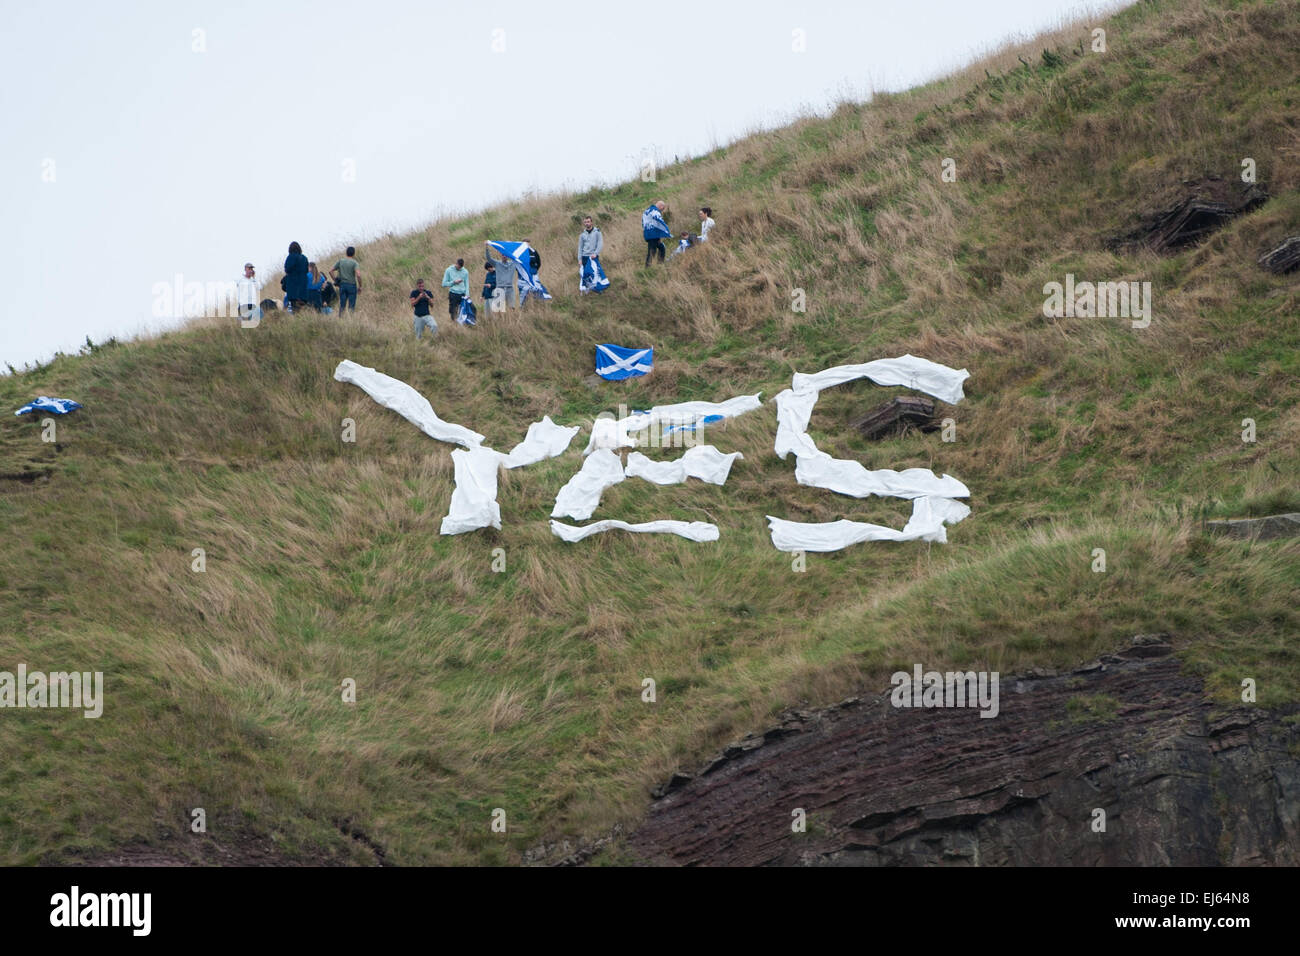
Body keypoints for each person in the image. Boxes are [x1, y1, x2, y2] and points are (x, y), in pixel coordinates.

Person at [578, 216, 609, 293]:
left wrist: (596, 253)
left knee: (595, 272)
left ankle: (598, 288)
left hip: (592, 257)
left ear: (591, 222)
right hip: (584, 257)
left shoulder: (597, 232)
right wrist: (579, 259)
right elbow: (580, 247)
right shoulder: (582, 235)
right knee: (585, 274)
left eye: (588, 222)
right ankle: (588, 289)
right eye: (585, 222)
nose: (587, 223)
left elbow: (600, 244)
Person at [484, 243, 519, 311]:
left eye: (505, 255)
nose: (504, 256)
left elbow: (519, 257)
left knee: (511, 307)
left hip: (510, 288)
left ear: (508, 256)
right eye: (503, 255)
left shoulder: (513, 264)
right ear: (501, 256)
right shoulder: (497, 264)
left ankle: (511, 320)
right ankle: (500, 320)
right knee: (498, 309)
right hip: (500, 288)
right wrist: (487, 248)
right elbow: (489, 258)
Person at [331, 246, 361, 312]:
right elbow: (358, 275)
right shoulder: (355, 263)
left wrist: (335, 280)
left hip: (342, 285)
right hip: (352, 285)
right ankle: (350, 319)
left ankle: (341, 319)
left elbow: (331, 271)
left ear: (346, 253)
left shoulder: (341, 261)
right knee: (351, 306)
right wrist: (360, 286)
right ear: (354, 253)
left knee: (342, 305)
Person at [642, 200, 672, 266]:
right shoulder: (655, 212)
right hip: (653, 234)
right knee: (652, 251)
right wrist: (666, 231)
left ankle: (660, 264)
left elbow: (643, 223)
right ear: (660, 206)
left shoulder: (646, 211)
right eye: (663, 208)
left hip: (648, 234)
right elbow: (659, 222)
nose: (662, 210)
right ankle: (648, 267)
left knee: (661, 248)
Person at [283, 242, 309, 312]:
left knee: (295, 309)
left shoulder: (291, 257)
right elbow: (307, 270)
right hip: (303, 287)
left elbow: (287, 269)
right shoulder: (304, 258)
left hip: (293, 288)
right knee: (302, 308)